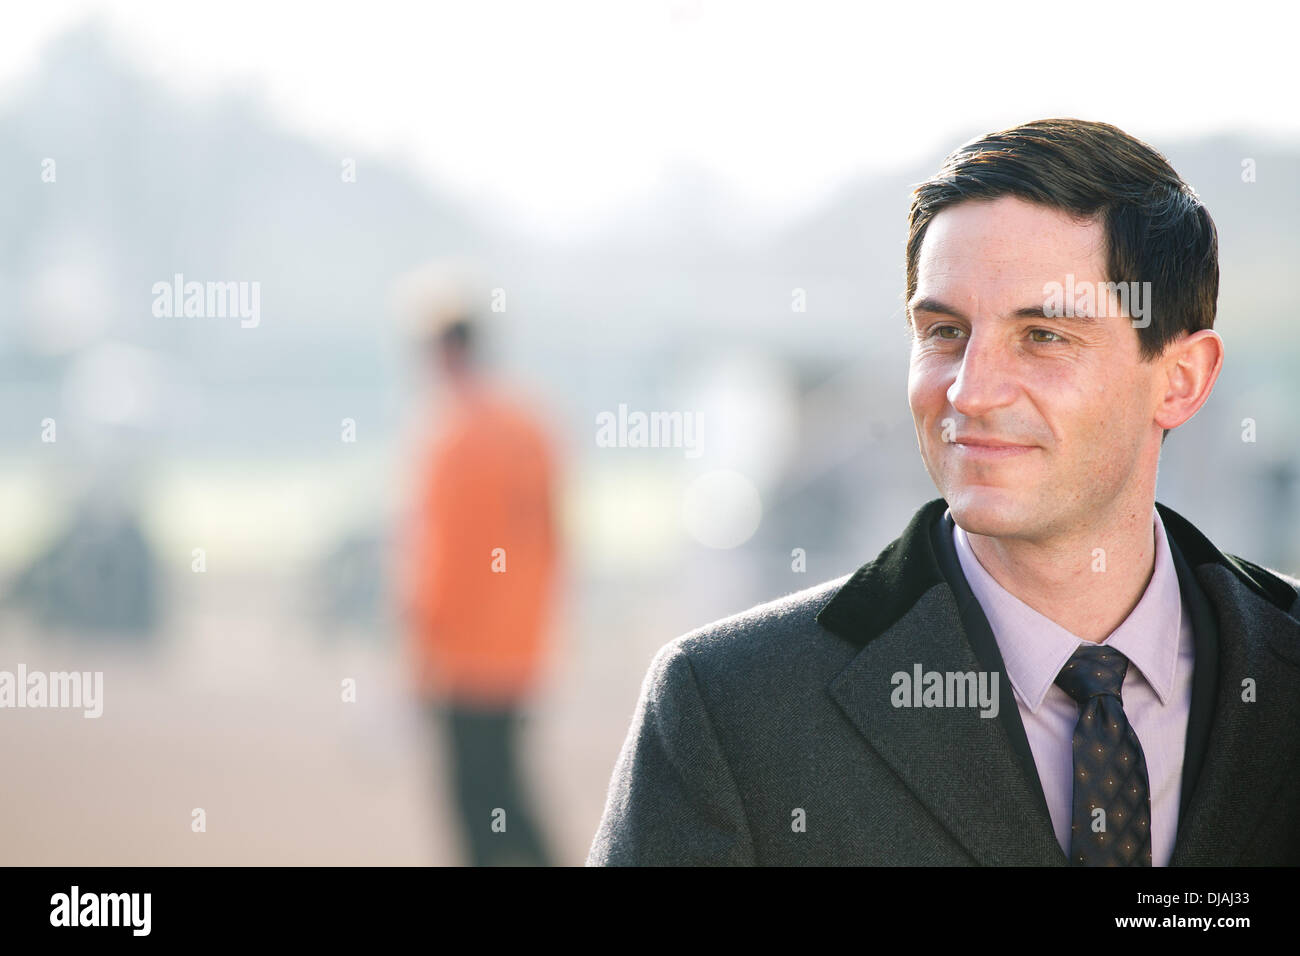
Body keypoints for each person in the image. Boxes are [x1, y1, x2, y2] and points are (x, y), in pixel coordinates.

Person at [587, 119, 1300, 866]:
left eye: (1044, 336)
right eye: (944, 331)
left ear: (1180, 380)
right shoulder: (728, 709)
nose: (971, 391)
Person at [399, 269, 559, 866]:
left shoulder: (447, 434)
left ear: (442, 350)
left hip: (461, 653)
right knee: (511, 791)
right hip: (521, 643)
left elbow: (436, 560)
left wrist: (419, 646)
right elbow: (555, 539)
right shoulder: (533, 424)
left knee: (472, 803)